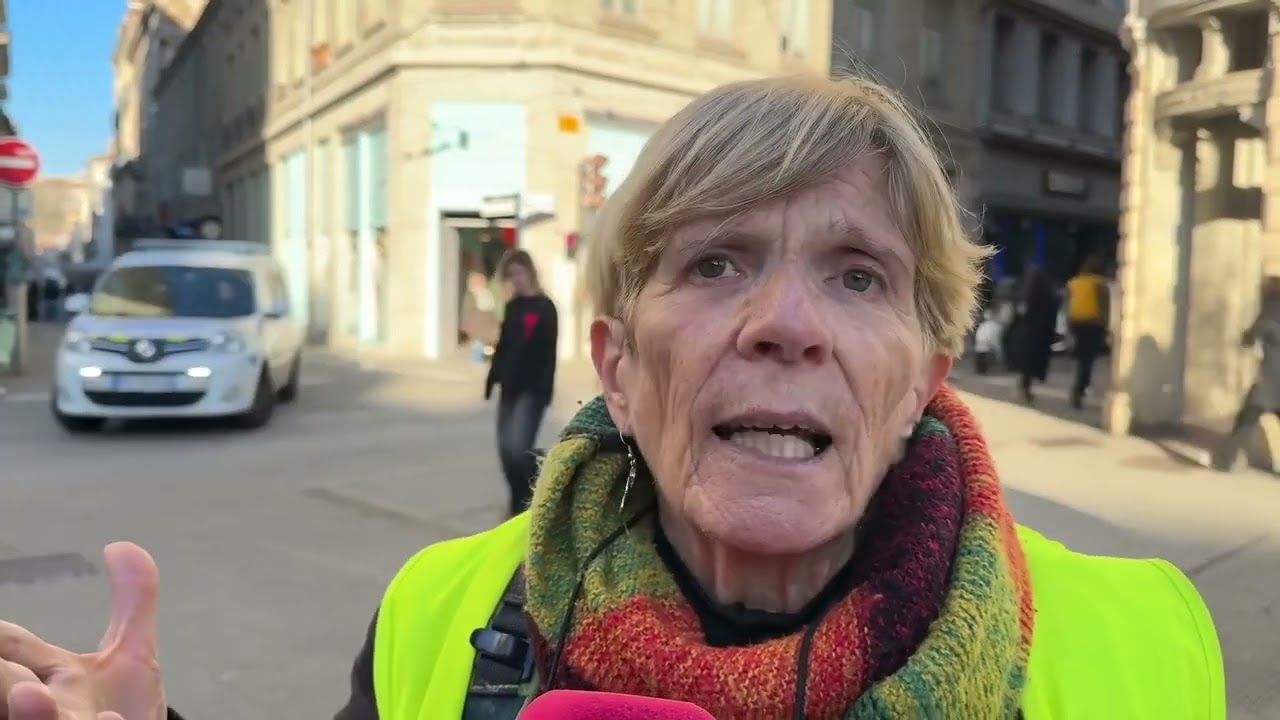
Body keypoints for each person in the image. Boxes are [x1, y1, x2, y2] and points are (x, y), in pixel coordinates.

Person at [0, 74, 1226, 720]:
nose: (784, 324)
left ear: (922, 379)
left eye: (857, 276)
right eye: (715, 263)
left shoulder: (1141, 635)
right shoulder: (443, 611)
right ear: (621, 368)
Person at [484, 250, 558, 517]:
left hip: (532, 390)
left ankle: (534, 497)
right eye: (510, 275)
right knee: (506, 451)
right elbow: (504, 345)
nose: (515, 279)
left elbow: (550, 351)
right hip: (510, 387)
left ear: (529, 272)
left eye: (518, 273)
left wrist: (546, 390)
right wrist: (492, 379)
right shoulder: (514, 307)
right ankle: (519, 504)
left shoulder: (545, 307)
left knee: (518, 448)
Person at [1212, 275, 1280, 472]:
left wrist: (1245, 337)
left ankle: (1225, 461)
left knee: (1246, 422)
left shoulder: (1271, 309)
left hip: (1269, 381)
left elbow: (1253, 336)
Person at [1064, 254, 1110, 409]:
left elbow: (1067, 304)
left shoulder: (1073, 283)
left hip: (1076, 322)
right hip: (1093, 323)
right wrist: (1105, 327)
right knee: (1087, 360)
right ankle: (1080, 388)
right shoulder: (1101, 284)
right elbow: (1105, 307)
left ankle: (1080, 387)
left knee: (1082, 357)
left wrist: (1068, 324)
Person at [1014, 266, 1059, 405]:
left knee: (1027, 363)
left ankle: (1025, 386)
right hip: (1040, 334)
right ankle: (1026, 387)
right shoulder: (1048, 295)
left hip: (1028, 334)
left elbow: (1021, 315)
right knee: (1033, 363)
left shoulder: (1027, 295)